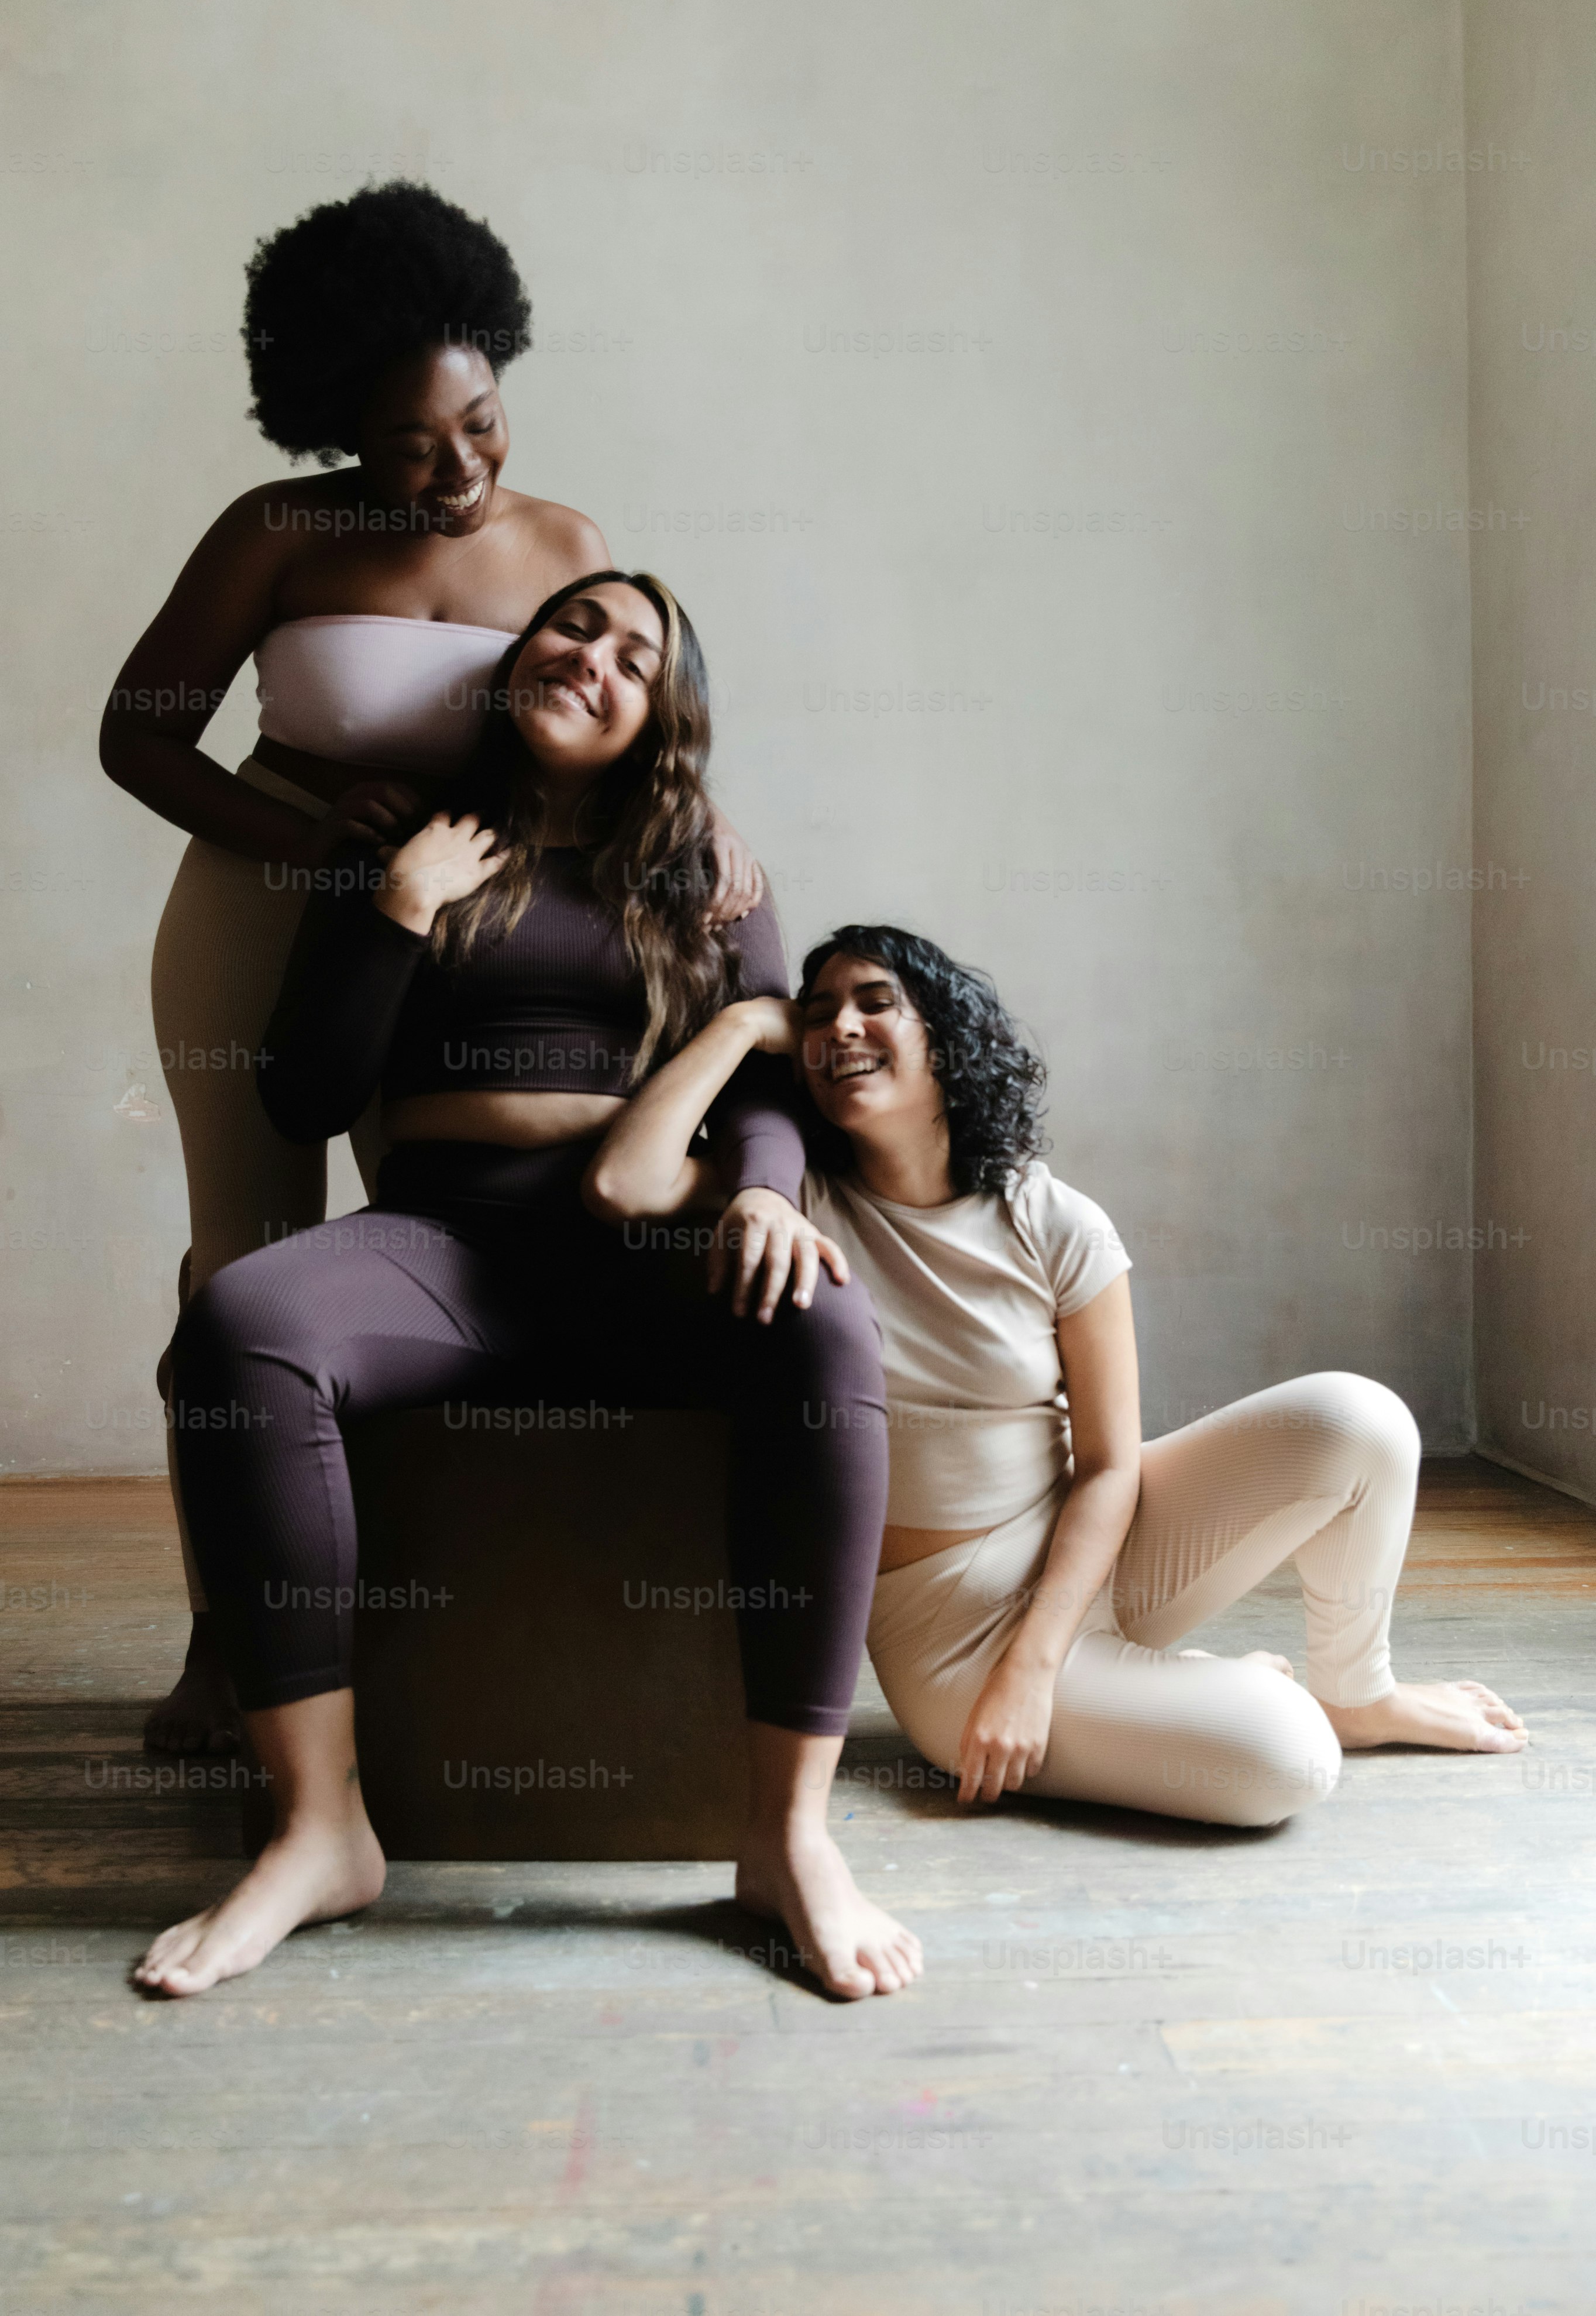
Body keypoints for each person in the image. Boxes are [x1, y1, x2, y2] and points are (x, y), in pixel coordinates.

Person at [133, 573, 920, 2004]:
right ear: (518, 656)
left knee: (822, 1326)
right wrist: (390, 910)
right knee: (240, 1329)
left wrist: (758, 1190)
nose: (594, 660)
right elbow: (303, 1096)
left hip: (643, 1248)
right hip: (441, 1246)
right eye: (574, 627)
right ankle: (321, 1833)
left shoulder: (700, 867)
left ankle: (786, 1838)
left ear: (660, 714)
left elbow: (764, 1072)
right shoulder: (410, 843)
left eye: (636, 657)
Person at [98, 181, 759, 1755]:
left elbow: (611, 705)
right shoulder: (275, 534)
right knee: (240, 1269)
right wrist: (321, 818)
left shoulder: (565, 540)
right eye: (411, 442)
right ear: (338, 423)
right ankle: (226, 1645)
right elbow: (138, 734)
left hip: (460, 954)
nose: (460, 467)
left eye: (483, 420)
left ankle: (419, 1628)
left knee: (433, 1266)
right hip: (267, 919)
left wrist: (714, 818)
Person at [582, 924, 1528, 1826]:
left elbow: (1114, 1465)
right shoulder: (798, 1207)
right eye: (818, 1013)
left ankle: (1357, 1692)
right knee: (1285, 1764)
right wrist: (747, 1022)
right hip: (949, 1631)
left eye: (876, 1003)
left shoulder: (1052, 1216)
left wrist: (1038, 1665)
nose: (839, 1027)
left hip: (1087, 1547)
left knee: (1360, 1420)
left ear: (945, 1045)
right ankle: (1181, 1692)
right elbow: (623, 1182)